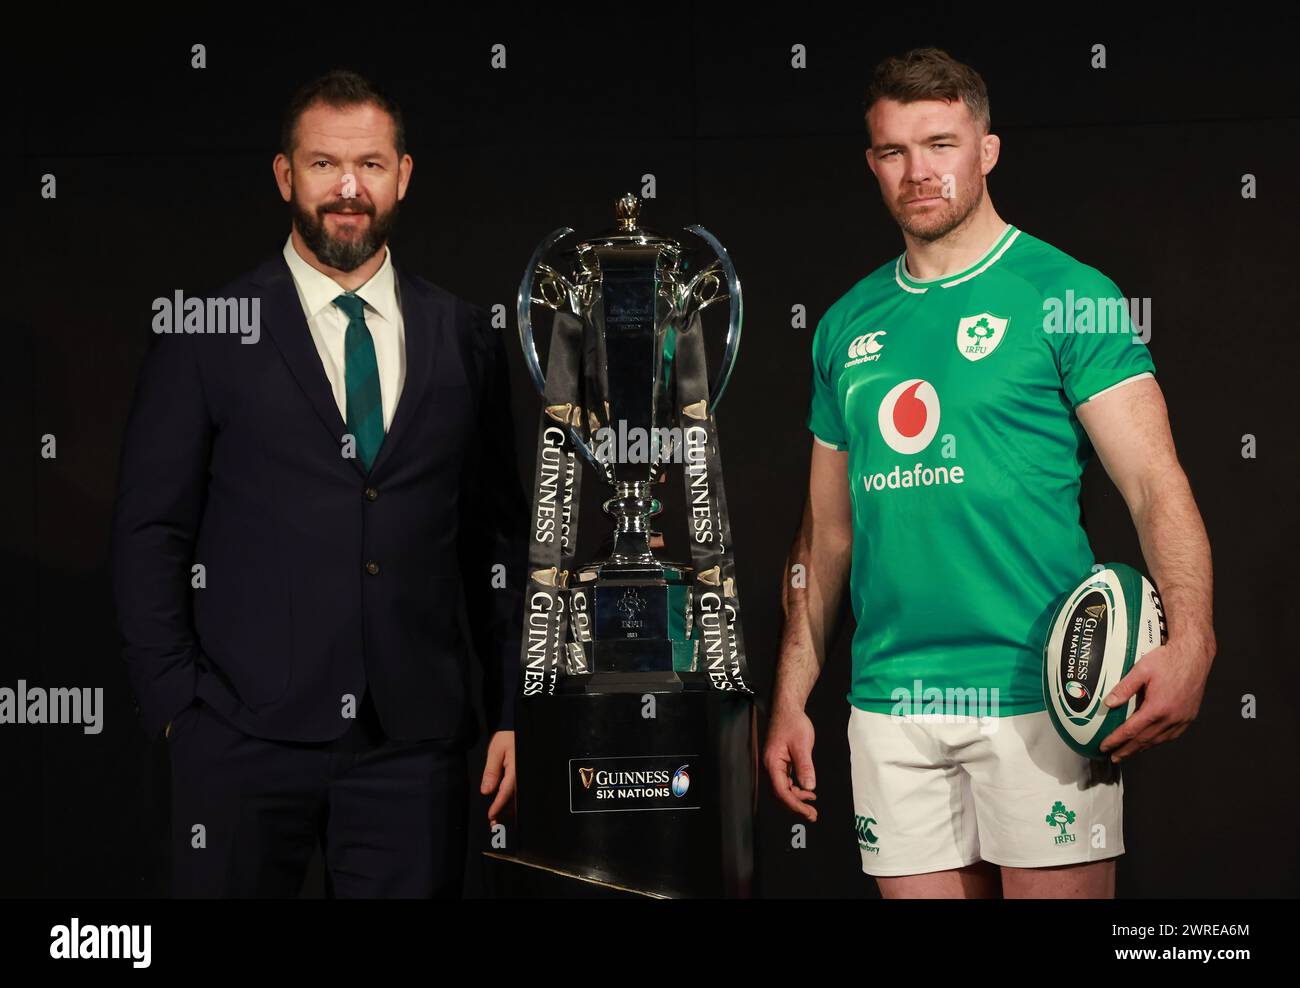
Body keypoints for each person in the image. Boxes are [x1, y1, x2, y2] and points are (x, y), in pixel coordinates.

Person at [763, 48, 1215, 899]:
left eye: (941, 144)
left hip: (1042, 693)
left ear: (988, 148)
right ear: (872, 163)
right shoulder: (844, 326)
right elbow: (825, 536)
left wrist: (1193, 638)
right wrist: (794, 691)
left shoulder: (1067, 295)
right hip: (890, 705)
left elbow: (1157, 484)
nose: (918, 172)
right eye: (894, 151)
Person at [110, 69, 528, 897]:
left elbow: (495, 540)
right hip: (238, 740)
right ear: (284, 176)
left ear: (403, 175)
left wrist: (512, 707)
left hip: (414, 749)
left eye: (371, 165)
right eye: (324, 165)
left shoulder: (464, 336)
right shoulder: (207, 333)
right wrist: (178, 712)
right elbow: (150, 532)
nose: (348, 189)